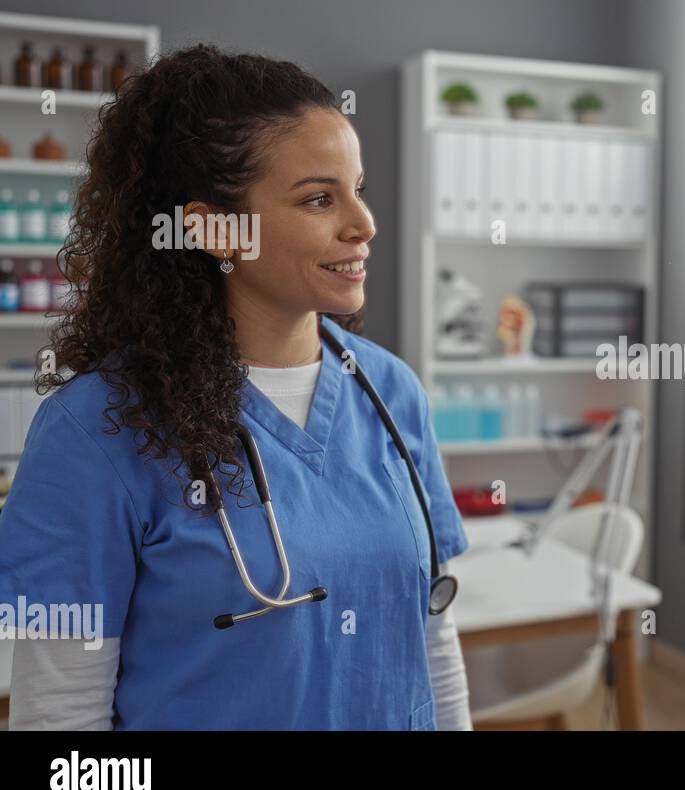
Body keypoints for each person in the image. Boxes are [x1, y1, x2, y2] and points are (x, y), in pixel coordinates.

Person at [0, 45, 472, 730]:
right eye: (318, 197)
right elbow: (62, 720)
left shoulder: (389, 391)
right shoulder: (95, 430)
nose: (363, 223)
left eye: (357, 189)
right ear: (214, 227)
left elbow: (434, 642)